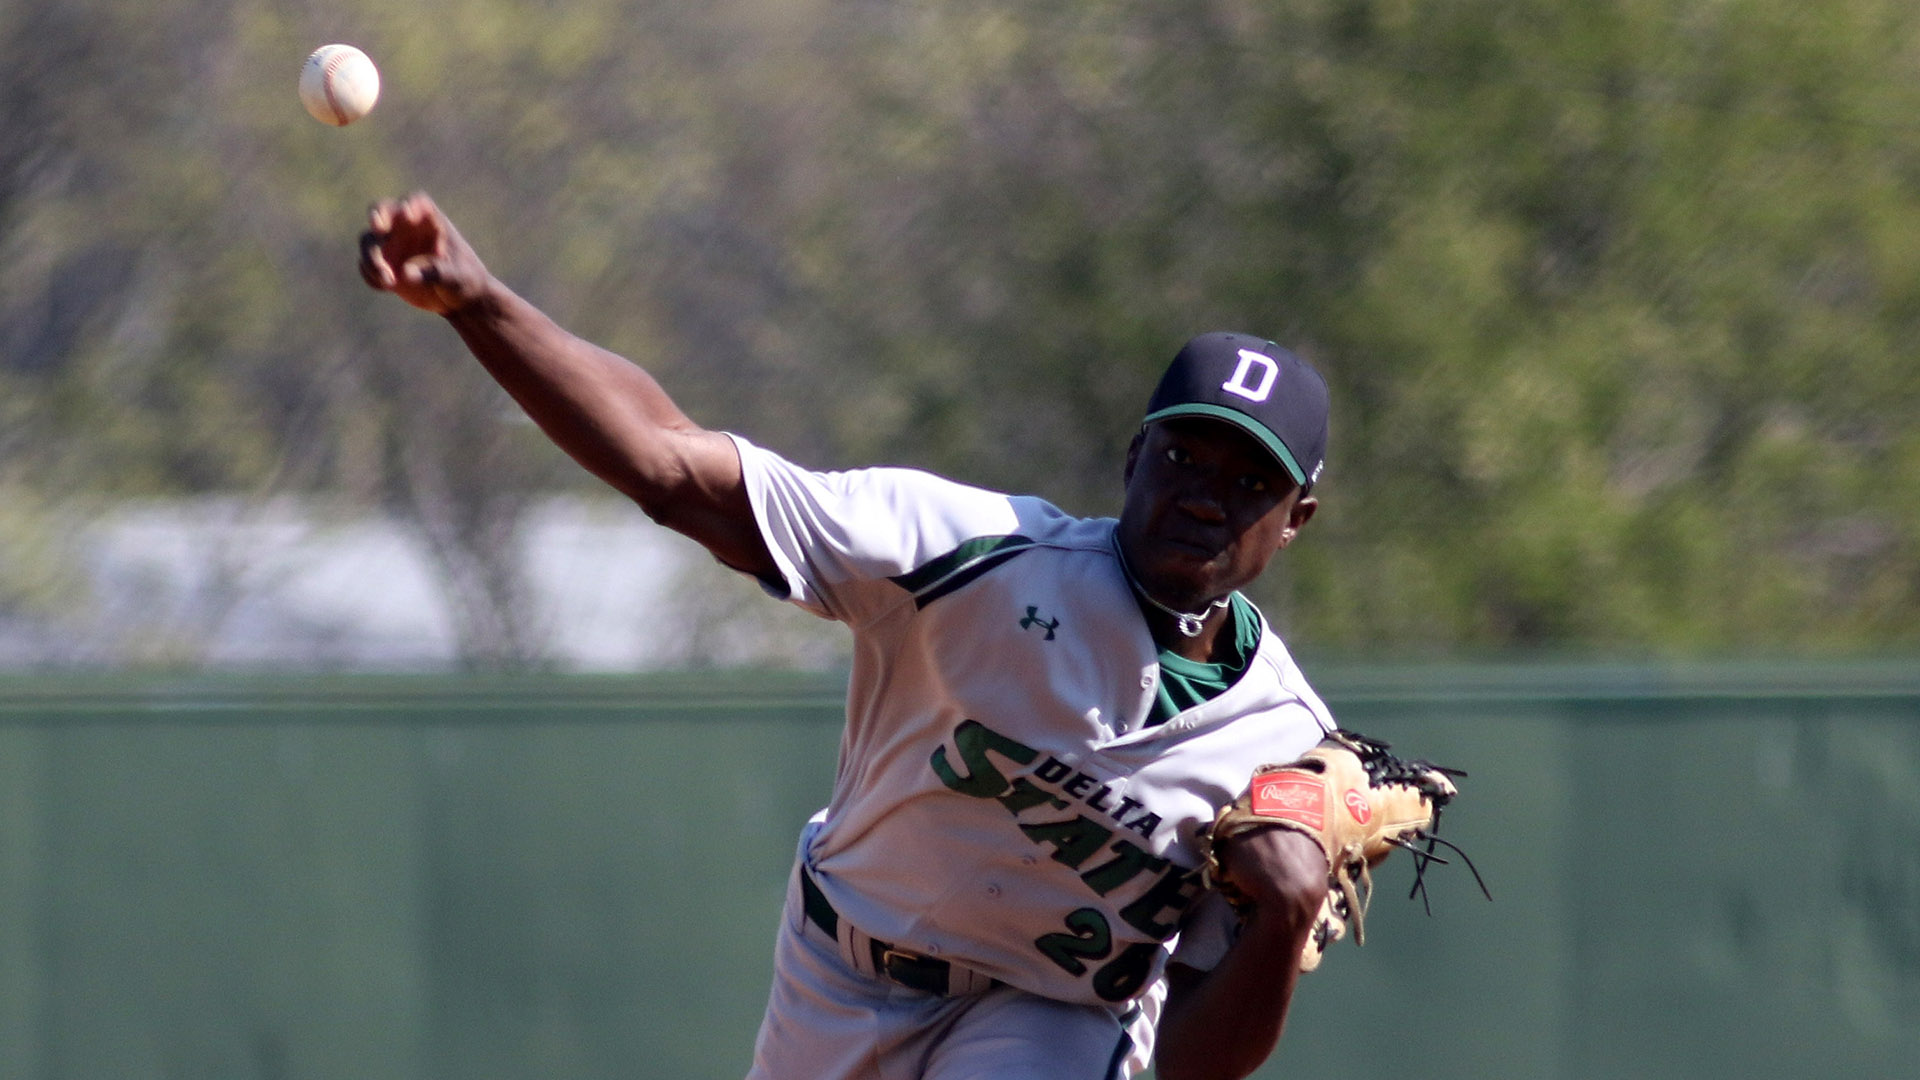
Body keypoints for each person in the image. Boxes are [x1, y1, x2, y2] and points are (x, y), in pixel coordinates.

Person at [361, 191, 1339, 1080]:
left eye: (1250, 480)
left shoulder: (1285, 748)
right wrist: (479, 305)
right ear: (1134, 458)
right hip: (840, 969)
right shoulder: (973, 554)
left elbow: (1194, 1064)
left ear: (1295, 518)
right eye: (1184, 455)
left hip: (1056, 1017)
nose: (1207, 496)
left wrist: (1281, 918)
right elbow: (670, 464)